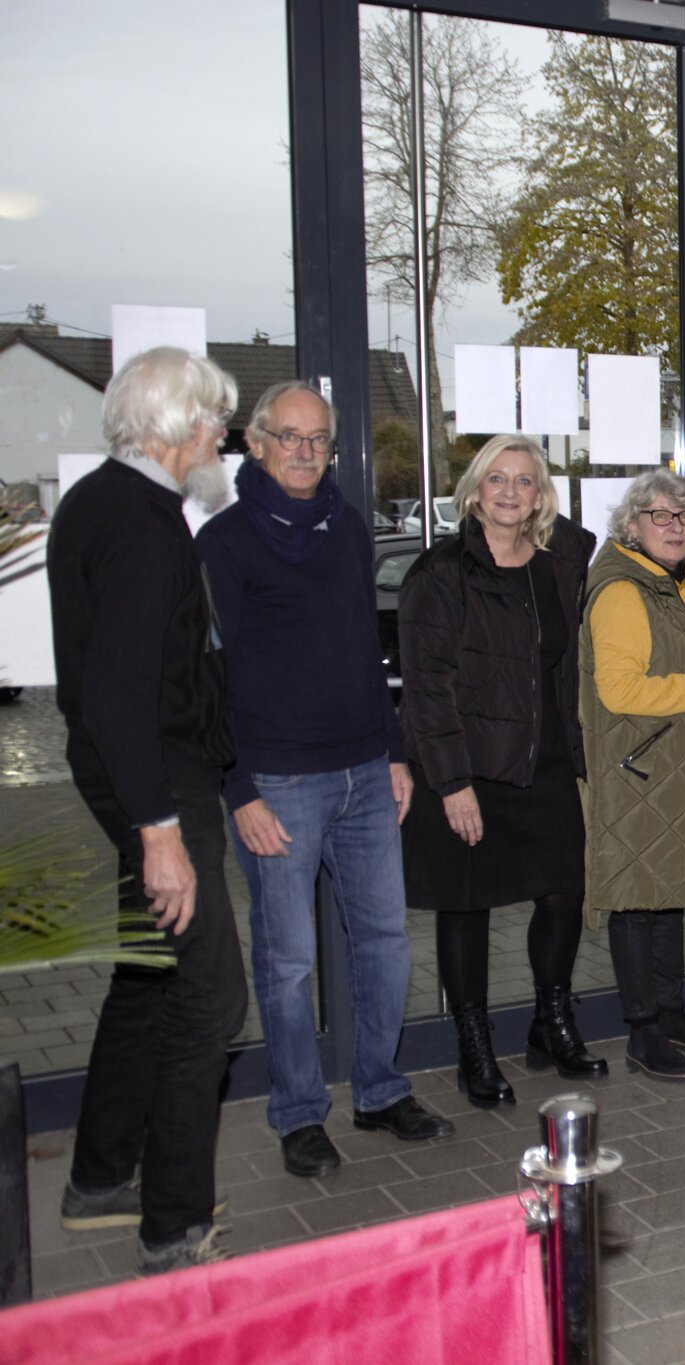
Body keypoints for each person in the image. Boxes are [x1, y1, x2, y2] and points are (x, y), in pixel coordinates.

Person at [196, 381, 454, 1179]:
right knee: (289, 960)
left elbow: (360, 653)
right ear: (257, 443)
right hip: (279, 781)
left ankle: (378, 1091)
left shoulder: (347, 529)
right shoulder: (225, 541)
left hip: (366, 775)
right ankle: (299, 1114)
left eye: (318, 438)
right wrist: (239, 787)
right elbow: (210, 675)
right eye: (290, 436)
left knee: (385, 945)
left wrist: (395, 750)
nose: (305, 450)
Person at [47, 346, 247, 1274]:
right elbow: (120, 693)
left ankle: (97, 1178)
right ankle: (174, 1226)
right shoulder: (137, 521)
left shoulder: (106, 503)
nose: (221, 437)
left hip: (146, 780)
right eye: (214, 420)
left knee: (149, 978)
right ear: (177, 427)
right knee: (208, 1003)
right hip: (160, 791)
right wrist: (159, 832)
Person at [398, 435, 602, 1107]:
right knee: (466, 906)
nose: (510, 492)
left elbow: (583, 531)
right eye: (496, 480)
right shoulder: (441, 572)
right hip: (470, 768)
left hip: (543, 764)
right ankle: (474, 1047)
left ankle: (551, 1020)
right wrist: (452, 783)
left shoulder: (559, 560)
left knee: (563, 893)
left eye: (525, 482)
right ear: (474, 491)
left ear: (541, 495)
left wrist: (549, 490)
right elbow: (427, 687)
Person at [581, 470, 685, 1082]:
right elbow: (616, 687)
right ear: (632, 525)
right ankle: (643, 1031)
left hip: (674, 762)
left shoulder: (682, 583)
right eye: (661, 516)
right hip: (638, 766)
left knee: (669, 893)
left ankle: (672, 1012)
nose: (675, 527)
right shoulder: (624, 588)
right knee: (636, 903)